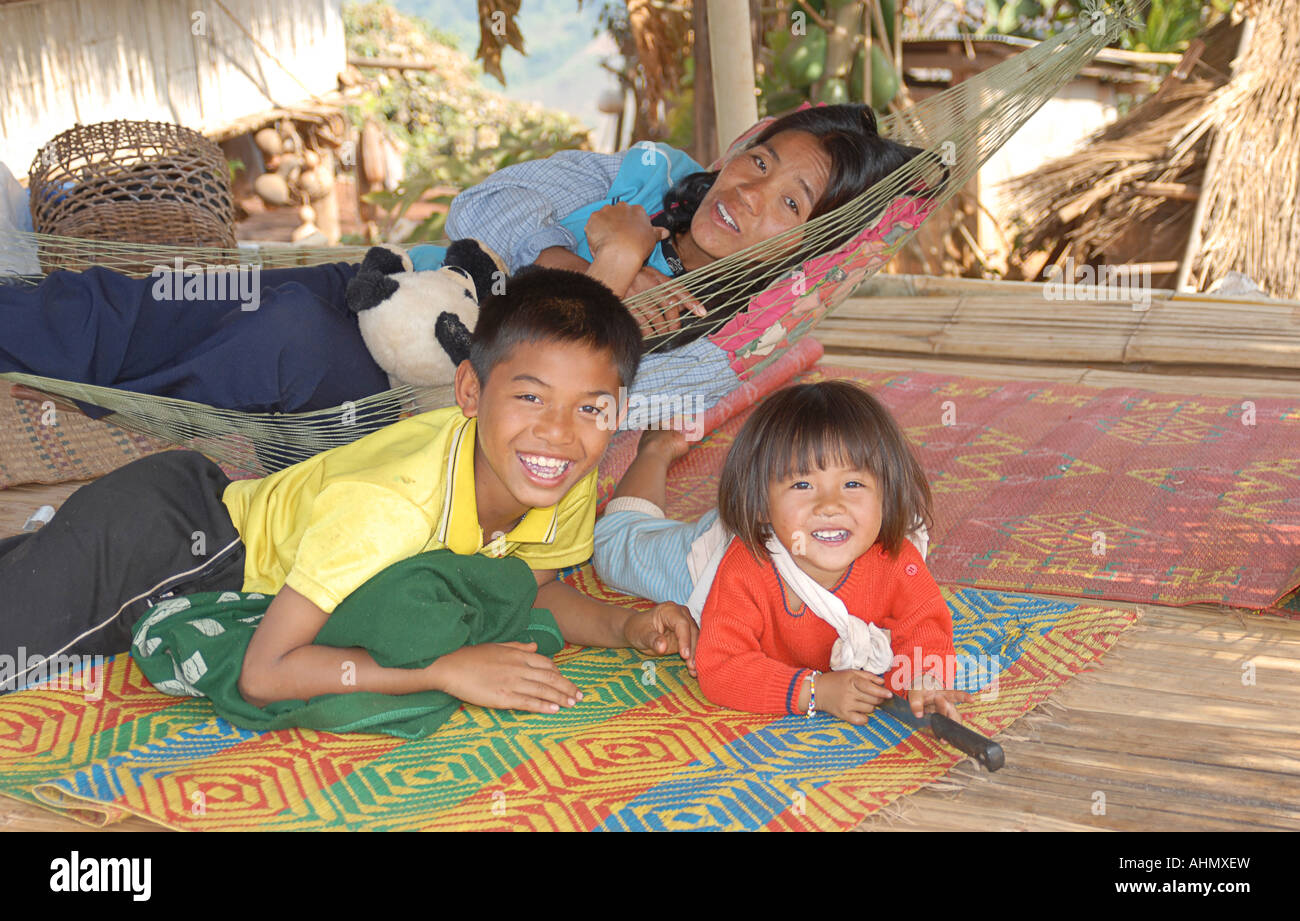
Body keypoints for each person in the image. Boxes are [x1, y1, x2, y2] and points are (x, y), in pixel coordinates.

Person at [0, 268, 698, 713]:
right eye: (531, 397)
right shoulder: (393, 505)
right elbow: (265, 673)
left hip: (211, 537)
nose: (559, 432)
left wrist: (625, 627)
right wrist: (443, 670)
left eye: (591, 408)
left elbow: (529, 589)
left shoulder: (560, 475)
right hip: (176, 549)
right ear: (469, 391)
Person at [0, 104, 922, 417]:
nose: (750, 194)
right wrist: (579, 251)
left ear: (806, 246)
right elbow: (483, 204)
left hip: (412, 387)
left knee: (273, 336)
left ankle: (88, 390)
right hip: (384, 279)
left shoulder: (724, 336)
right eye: (760, 162)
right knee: (172, 295)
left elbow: (589, 406)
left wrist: (610, 274)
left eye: (790, 202)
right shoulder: (650, 176)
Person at [591, 381, 971, 724]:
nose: (830, 505)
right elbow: (720, 667)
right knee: (610, 544)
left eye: (853, 483)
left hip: (779, 528)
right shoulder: (745, 566)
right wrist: (815, 691)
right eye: (803, 484)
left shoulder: (896, 559)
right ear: (760, 504)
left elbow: (923, 626)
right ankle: (655, 451)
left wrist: (925, 681)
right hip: (705, 559)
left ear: (886, 496)